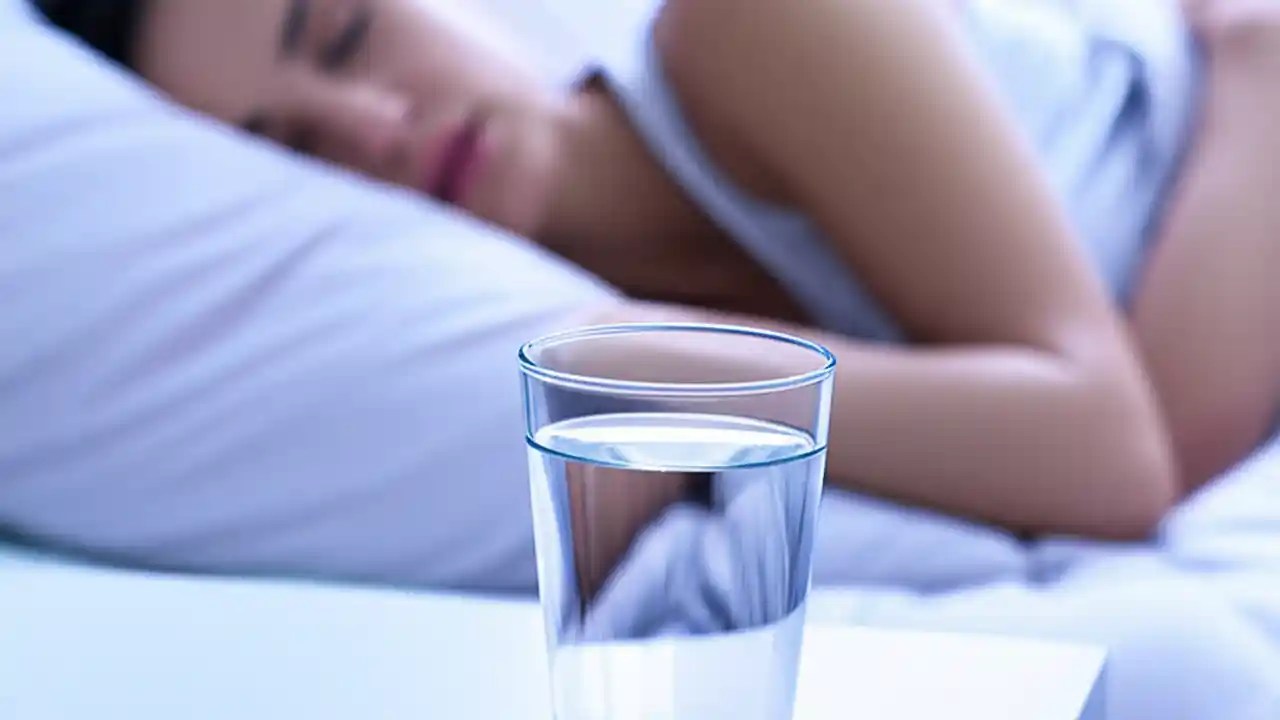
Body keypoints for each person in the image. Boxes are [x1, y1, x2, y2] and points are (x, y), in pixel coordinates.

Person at [30, 0, 1280, 546]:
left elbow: (1109, 456)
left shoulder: (747, 26)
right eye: (294, 147)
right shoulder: (512, 322)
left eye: (348, 30)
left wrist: (1251, 74)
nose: (370, 124)